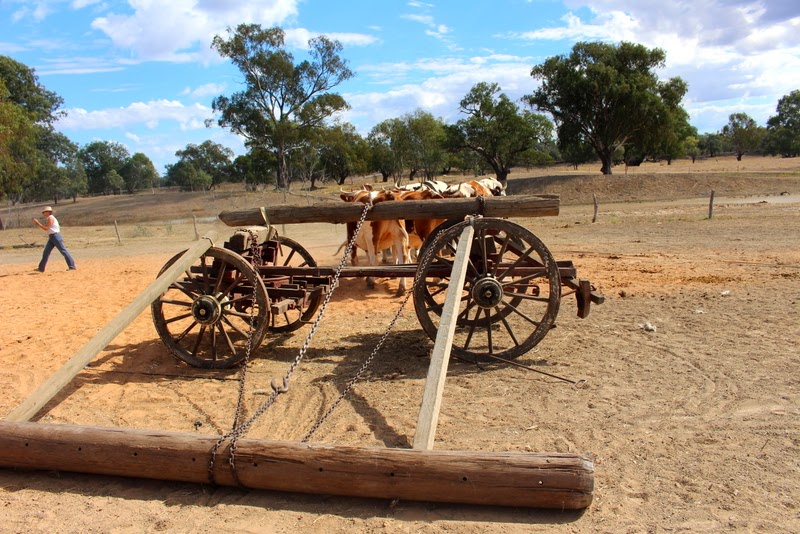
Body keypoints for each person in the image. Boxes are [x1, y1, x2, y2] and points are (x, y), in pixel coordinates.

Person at [33, 206, 76, 272]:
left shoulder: (50, 218)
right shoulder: (49, 218)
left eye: (44, 212)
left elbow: (46, 228)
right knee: (46, 252)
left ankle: (72, 266)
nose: (43, 213)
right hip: (52, 237)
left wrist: (38, 223)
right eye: (43, 212)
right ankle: (41, 268)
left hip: (55, 236)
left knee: (63, 251)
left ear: (48, 212)